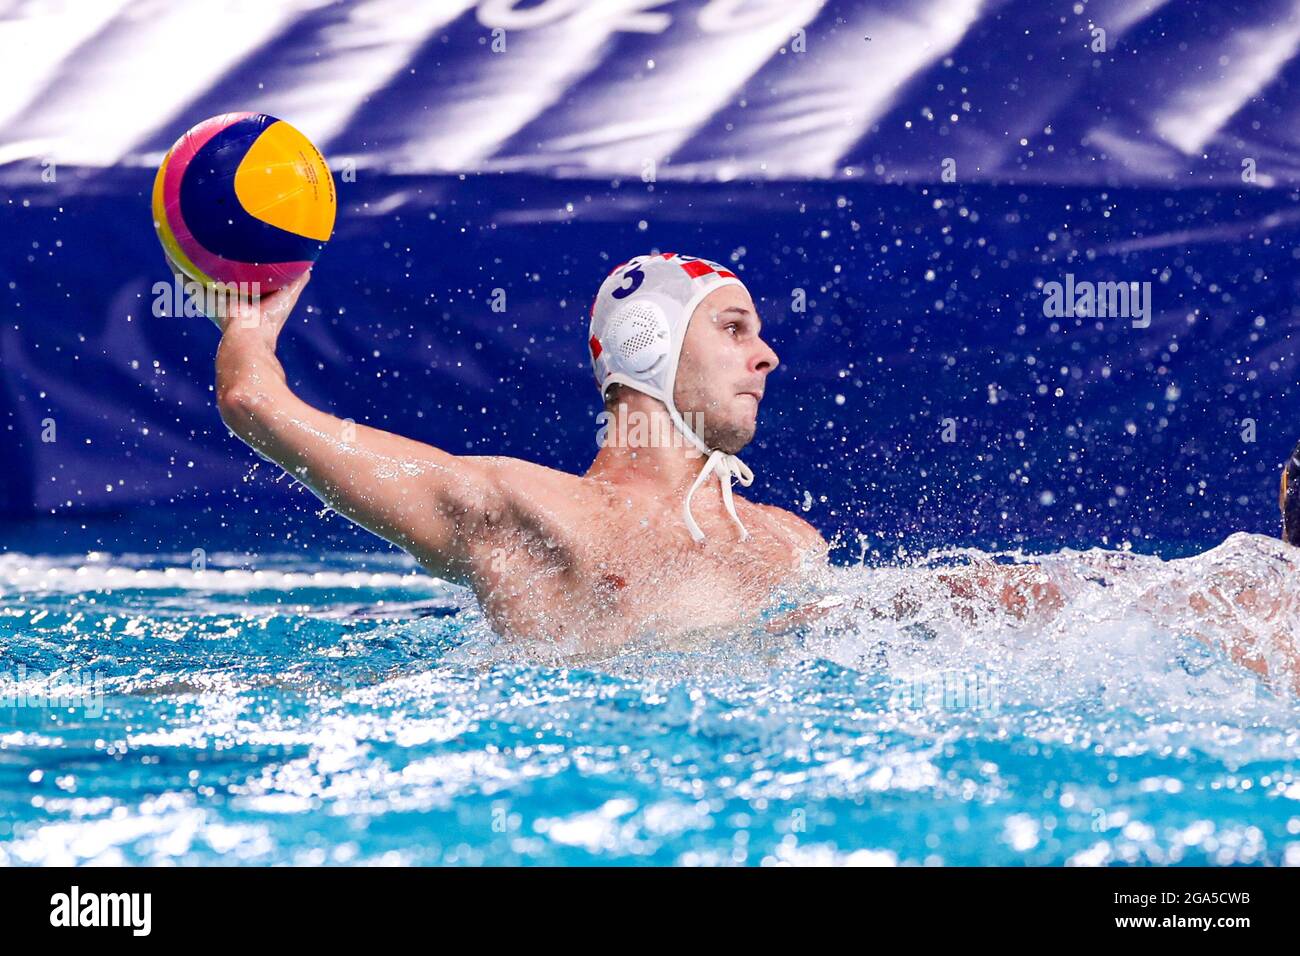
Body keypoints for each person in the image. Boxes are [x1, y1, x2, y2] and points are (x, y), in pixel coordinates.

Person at [201, 252, 830, 653]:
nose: (766, 355)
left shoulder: (790, 542)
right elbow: (251, 401)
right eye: (732, 328)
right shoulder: (523, 513)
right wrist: (249, 322)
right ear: (647, 344)